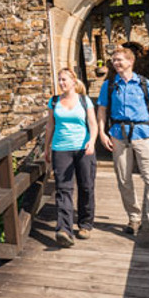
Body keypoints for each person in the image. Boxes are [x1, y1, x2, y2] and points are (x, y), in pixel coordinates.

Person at [98, 46, 149, 247]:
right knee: (124, 179)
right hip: (118, 135)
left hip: (143, 134)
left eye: (120, 59)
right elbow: (102, 110)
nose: (116, 63)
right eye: (114, 60)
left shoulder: (144, 84)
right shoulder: (109, 85)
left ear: (130, 62)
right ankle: (134, 217)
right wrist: (101, 132)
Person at [44, 67, 98, 248]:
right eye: (59, 80)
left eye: (64, 79)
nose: (61, 83)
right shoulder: (54, 101)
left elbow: (93, 123)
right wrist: (46, 148)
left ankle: (85, 224)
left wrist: (92, 140)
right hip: (61, 149)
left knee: (86, 186)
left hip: (83, 149)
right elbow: (50, 126)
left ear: (73, 81)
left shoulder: (84, 100)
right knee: (63, 189)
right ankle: (64, 230)